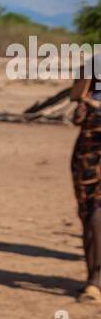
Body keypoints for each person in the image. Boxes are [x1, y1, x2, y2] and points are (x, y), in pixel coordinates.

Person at [70, 65, 101, 301]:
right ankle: (92, 277)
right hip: (88, 154)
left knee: (97, 215)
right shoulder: (93, 66)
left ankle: (95, 280)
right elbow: (77, 113)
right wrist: (82, 110)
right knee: (88, 214)